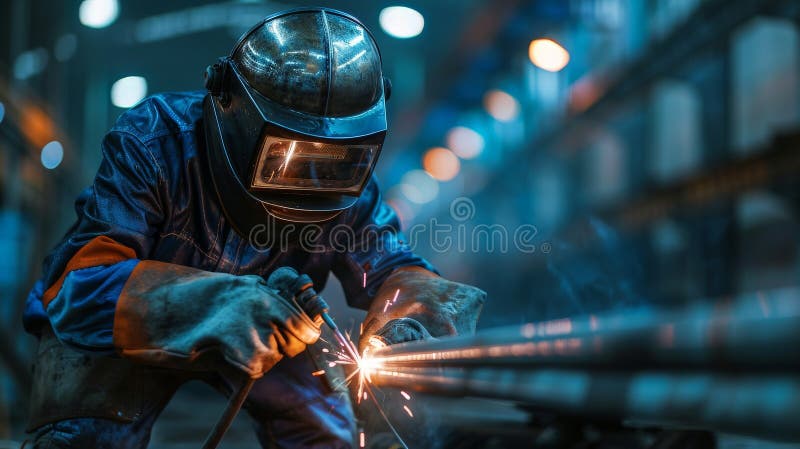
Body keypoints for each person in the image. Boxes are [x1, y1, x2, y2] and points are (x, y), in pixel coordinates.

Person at [22, 7, 484, 449]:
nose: (311, 179)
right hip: (126, 334)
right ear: (232, 110)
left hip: (274, 332)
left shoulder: (350, 182)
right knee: (83, 438)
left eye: (331, 161)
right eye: (287, 156)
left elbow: (397, 271)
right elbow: (78, 289)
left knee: (331, 437)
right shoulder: (153, 141)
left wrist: (411, 320)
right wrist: (218, 303)